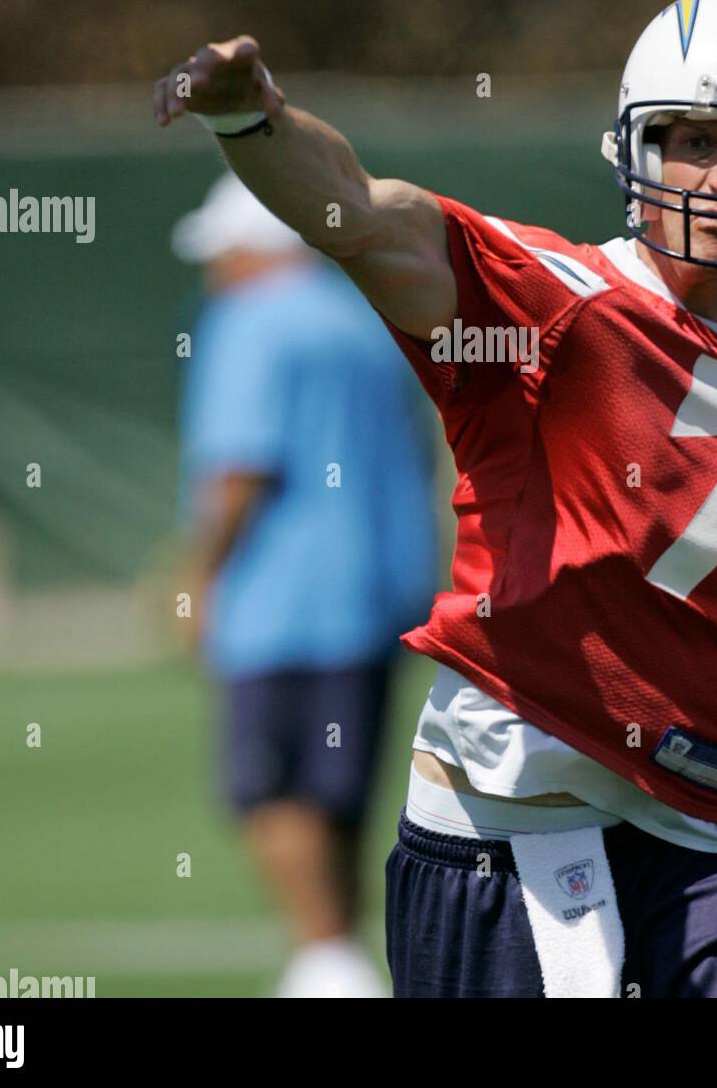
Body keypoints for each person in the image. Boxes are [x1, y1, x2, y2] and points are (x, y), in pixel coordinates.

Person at [155, 0, 717, 999]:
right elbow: (356, 210)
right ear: (633, 146)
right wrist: (246, 114)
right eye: (689, 138)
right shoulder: (548, 297)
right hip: (503, 819)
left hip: (716, 841)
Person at [172, 172, 438, 998]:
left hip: (281, 598)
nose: (214, 272)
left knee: (272, 784)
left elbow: (242, 469)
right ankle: (342, 955)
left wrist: (195, 578)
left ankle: (325, 960)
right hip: (379, 589)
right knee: (343, 784)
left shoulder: (249, 321)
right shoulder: (359, 319)